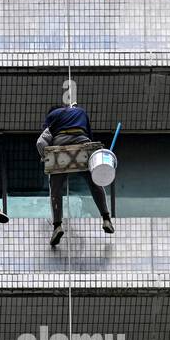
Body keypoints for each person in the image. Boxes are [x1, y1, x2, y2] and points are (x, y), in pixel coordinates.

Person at [36, 102, 114, 247]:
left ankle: (57, 226)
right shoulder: (81, 112)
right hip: (83, 142)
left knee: (56, 188)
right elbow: (89, 135)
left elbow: (41, 142)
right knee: (94, 182)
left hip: (60, 146)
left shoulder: (53, 116)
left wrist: (45, 157)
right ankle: (106, 218)